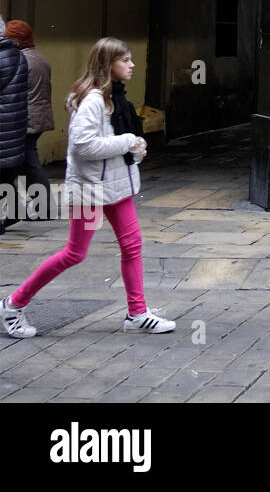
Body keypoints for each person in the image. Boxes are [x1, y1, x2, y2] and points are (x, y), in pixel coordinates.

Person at [2, 38, 175, 339]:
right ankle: (12, 304)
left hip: (116, 188)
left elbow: (119, 139)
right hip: (90, 192)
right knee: (74, 253)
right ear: (109, 65)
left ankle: (137, 312)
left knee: (132, 246)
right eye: (125, 60)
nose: (132, 65)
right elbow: (83, 146)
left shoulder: (114, 98)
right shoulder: (94, 100)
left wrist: (136, 148)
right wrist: (126, 143)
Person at [5, 21, 54, 219]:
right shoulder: (38, 58)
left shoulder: (22, 60)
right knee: (24, 164)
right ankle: (25, 208)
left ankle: (40, 208)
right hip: (36, 118)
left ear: (17, 40)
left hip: (25, 120)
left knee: (27, 165)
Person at [0, 19, 28, 232]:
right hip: (14, 126)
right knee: (5, 177)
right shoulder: (18, 55)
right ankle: (12, 212)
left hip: (3, 128)